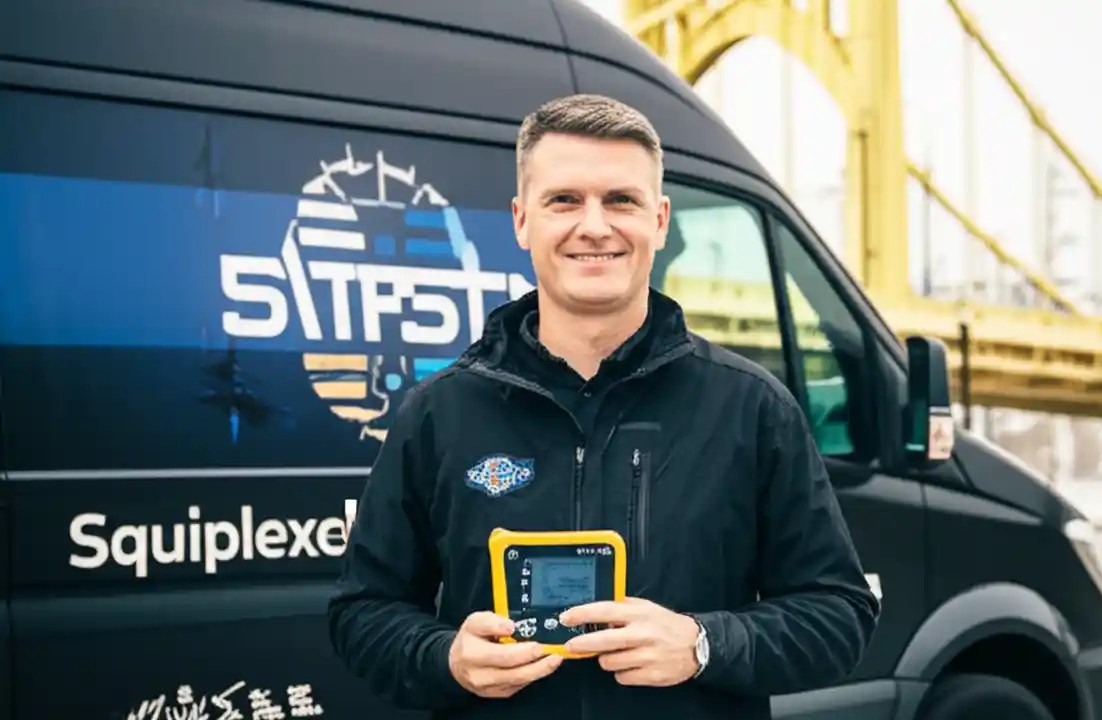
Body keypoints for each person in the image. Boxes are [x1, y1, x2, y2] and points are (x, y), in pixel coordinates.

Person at [328, 93, 880, 719]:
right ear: (520, 220)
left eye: (621, 200)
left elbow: (840, 613)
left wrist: (703, 645)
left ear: (661, 219)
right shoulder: (439, 413)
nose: (595, 225)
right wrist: (444, 658)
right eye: (564, 200)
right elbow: (362, 612)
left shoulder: (751, 408)